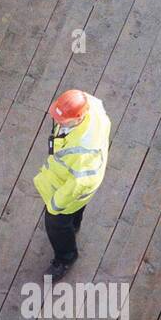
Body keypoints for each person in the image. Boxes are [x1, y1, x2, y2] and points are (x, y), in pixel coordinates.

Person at [33, 90, 110, 280]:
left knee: (56, 224)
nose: (58, 122)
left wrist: (55, 206)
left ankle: (66, 257)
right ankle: (74, 225)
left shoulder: (84, 151)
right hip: (74, 182)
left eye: (63, 121)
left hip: (69, 188)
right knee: (74, 214)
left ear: (78, 117)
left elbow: (78, 184)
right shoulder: (90, 107)